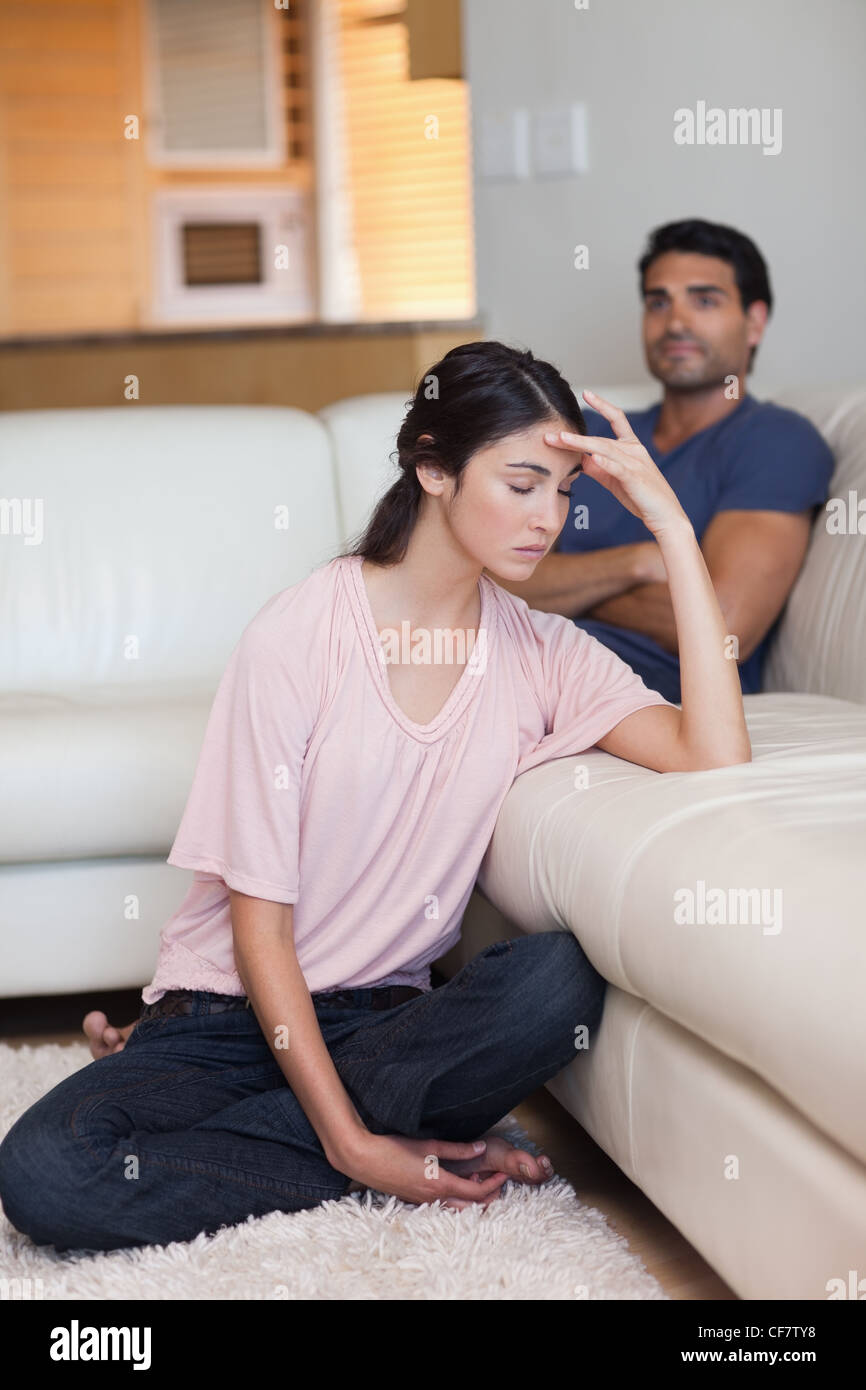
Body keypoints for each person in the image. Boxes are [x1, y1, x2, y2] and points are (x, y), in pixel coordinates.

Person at [0, 340, 750, 1253]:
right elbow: (260, 926)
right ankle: (372, 1146)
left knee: (553, 982)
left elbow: (712, 754)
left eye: (564, 490)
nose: (548, 517)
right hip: (233, 1015)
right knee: (46, 1170)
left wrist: (672, 531)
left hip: (382, 1027)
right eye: (521, 484)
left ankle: (249, 1138)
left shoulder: (542, 652)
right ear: (433, 466)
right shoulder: (298, 634)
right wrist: (356, 1147)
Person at [498, 219, 835, 704]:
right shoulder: (588, 432)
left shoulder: (776, 441)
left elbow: (725, 626)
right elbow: (495, 577)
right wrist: (639, 564)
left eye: (704, 300)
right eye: (659, 302)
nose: (676, 322)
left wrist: (562, 589)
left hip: (649, 694)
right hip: (517, 658)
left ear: (755, 321)